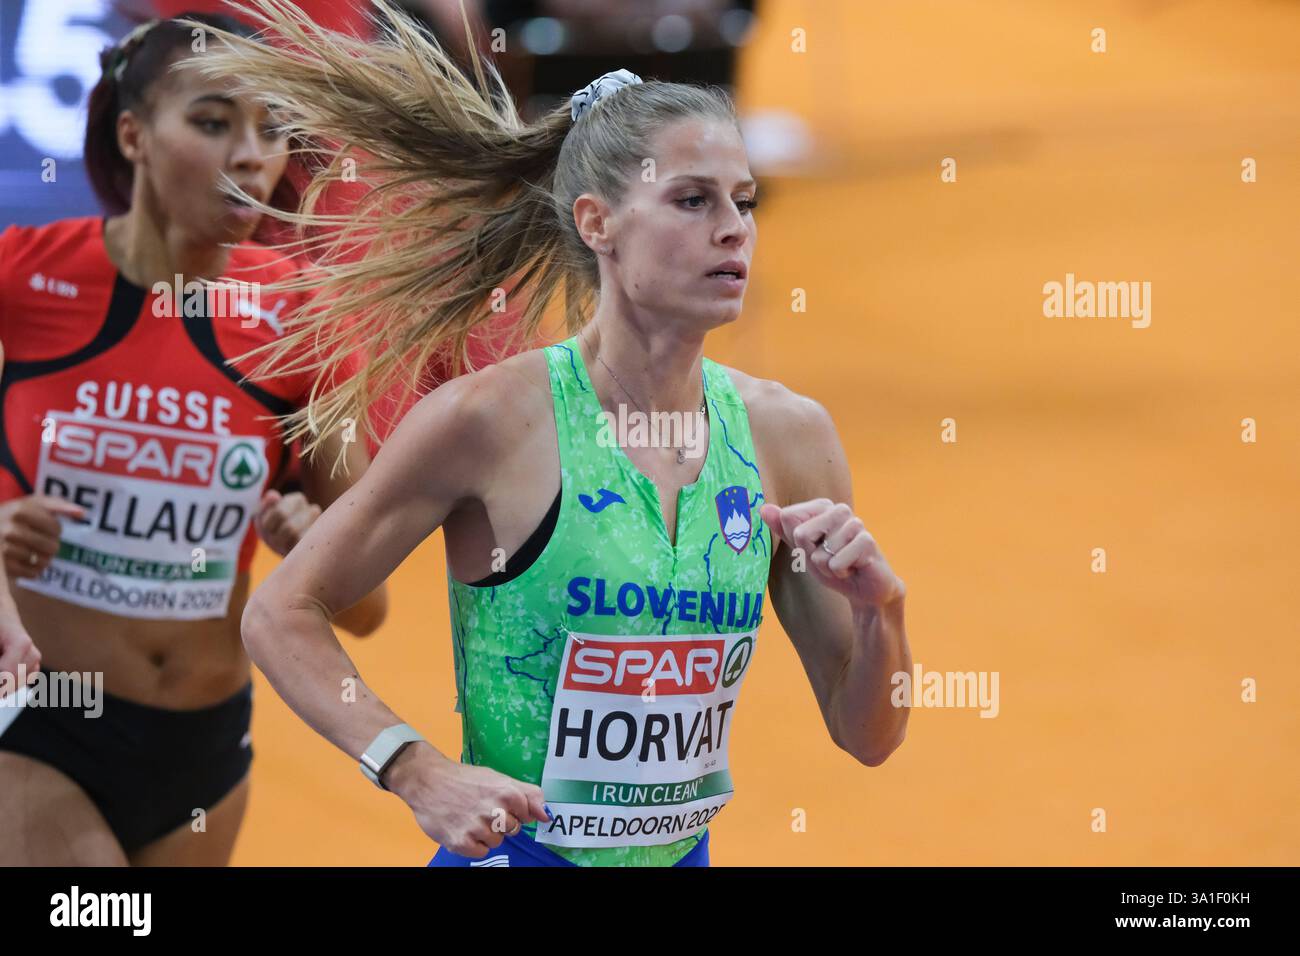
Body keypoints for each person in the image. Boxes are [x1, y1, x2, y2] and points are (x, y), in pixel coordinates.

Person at [209, 0, 911, 867]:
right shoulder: (489, 421)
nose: (733, 228)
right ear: (597, 224)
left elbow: (867, 732)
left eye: (743, 200)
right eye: (691, 201)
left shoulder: (788, 437)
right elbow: (284, 612)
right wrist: (414, 767)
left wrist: (884, 617)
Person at [0, 13, 388, 866]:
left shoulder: (306, 318)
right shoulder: (24, 275)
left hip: (202, 747)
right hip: (36, 719)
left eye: (273, 130)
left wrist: (308, 548)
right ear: (134, 134)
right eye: (212, 123)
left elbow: (366, 610)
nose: (250, 155)